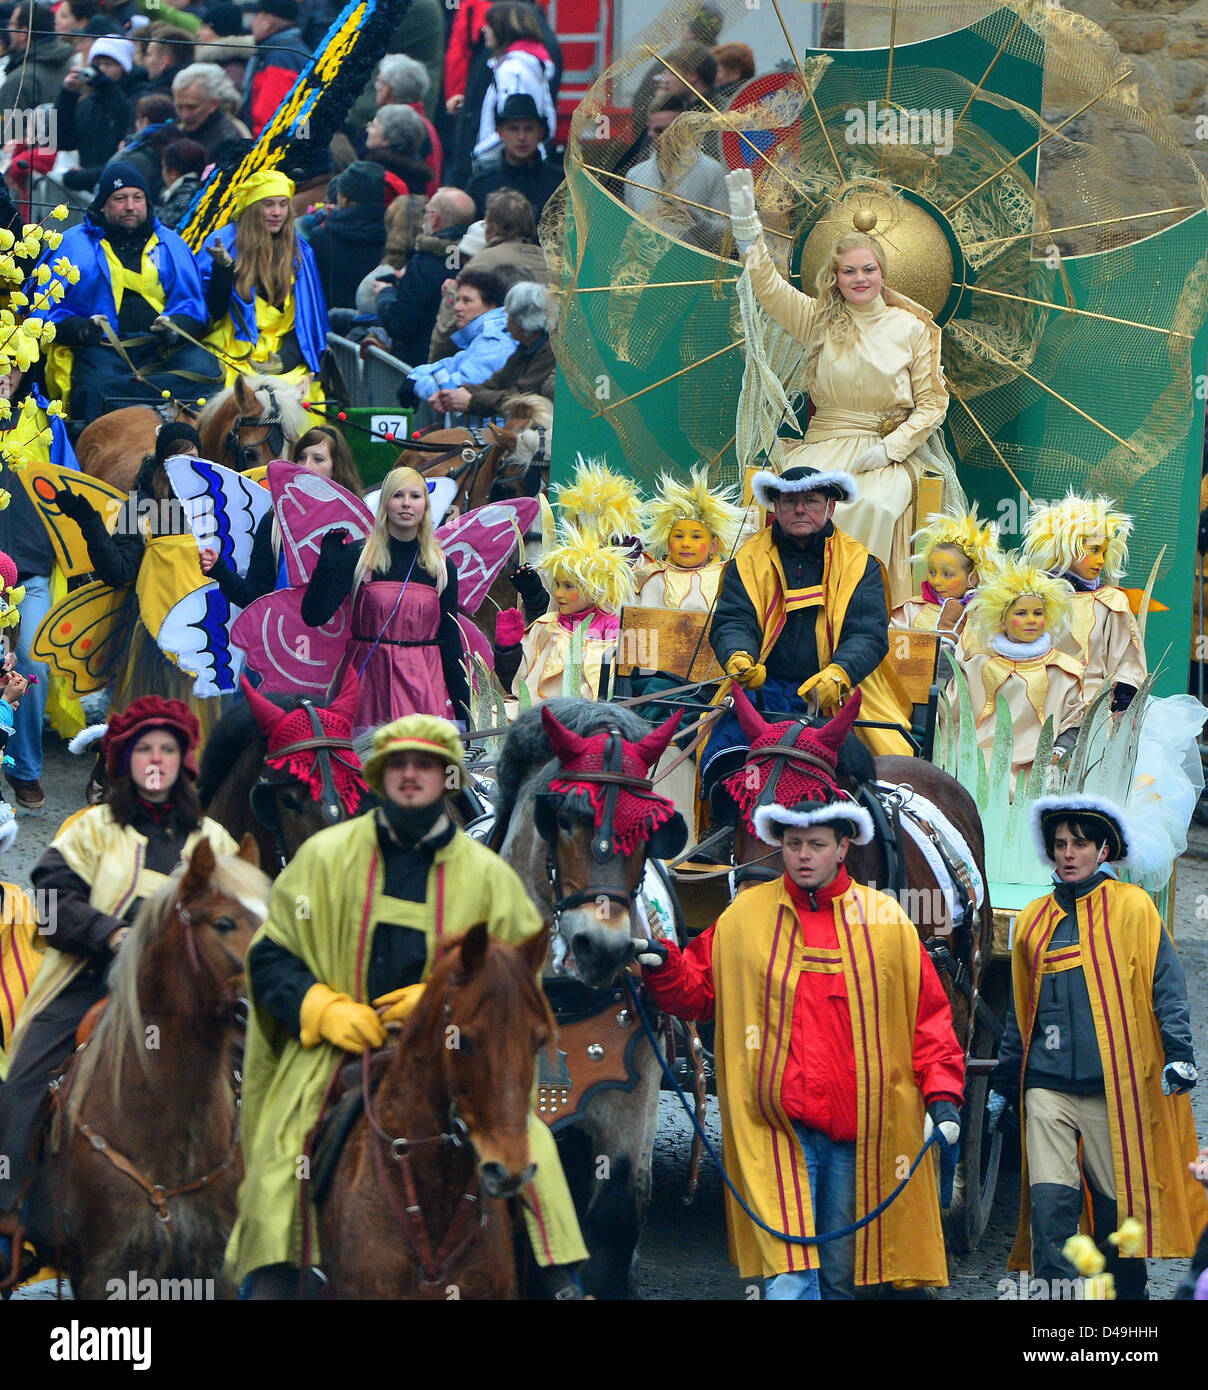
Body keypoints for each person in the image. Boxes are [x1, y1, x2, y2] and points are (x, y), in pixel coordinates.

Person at [227, 712, 588, 1298]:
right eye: (399, 764)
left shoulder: (490, 878)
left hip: (459, 1059)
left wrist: (443, 1000)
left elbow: (522, 979)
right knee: (281, 1163)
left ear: (448, 776)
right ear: (377, 775)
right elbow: (271, 960)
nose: (412, 775)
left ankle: (557, 1279)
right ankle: (273, 1279)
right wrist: (323, 1009)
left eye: (427, 764)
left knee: (534, 1153)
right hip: (336, 1053)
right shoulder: (324, 859)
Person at [637, 708, 963, 1299]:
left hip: (860, 1135)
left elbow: (929, 1022)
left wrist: (942, 1099)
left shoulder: (887, 922)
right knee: (791, 1277)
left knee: (841, 1275)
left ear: (844, 847)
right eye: (792, 844)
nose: (803, 855)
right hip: (775, 1133)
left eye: (816, 844)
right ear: (778, 846)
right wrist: (664, 967)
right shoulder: (741, 920)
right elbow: (699, 994)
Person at [0, 698, 239, 1271]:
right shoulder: (91, 829)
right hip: (93, 983)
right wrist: (111, 936)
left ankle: (270, 1230)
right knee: (23, 1081)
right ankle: (9, 1218)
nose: (155, 759)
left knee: (269, 1080)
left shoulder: (215, 841)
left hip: (196, 999)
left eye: (167, 749)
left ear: (184, 760)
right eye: (143, 750)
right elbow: (52, 901)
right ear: (123, 759)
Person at [989, 795, 1208, 1299]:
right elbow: (1020, 1015)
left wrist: (1180, 1053)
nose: (1068, 853)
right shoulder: (1033, 921)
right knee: (1051, 1211)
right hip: (1046, 1091)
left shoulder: (1134, 908)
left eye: (1080, 844)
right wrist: (1005, 1083)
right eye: (1060, 844)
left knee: (1116, 1220)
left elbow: (1166, 987)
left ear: (1103, 849)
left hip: (1115, 1093)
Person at [725, 169, 964, 609]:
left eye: (868, 269)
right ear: (835, 277)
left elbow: (932, 404)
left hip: (881, 452)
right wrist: (747, 227)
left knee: (865, 505)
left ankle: (855, 611)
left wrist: (890, 448)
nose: (860, 278)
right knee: (799, 502)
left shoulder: (912, 327)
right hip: (822, 444)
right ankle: (791, 606)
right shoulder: (817, 319)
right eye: (849, 271)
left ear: (882, 273)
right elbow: (769, 289)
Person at [701, 464, 913, 829]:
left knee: (885, 769)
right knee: (727, 754)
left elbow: (868, 634)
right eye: (790, 501)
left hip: (836, 693)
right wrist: (739, 656)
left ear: (830, 507)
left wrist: (839, 674)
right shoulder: (746, 560)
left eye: (811, 500)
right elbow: (733, 620)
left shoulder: (861, 564)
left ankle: (869, 840)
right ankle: (733, 831)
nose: (800, 509)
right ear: (776, 508)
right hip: (762, 690)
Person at [37, 161, 223, 423]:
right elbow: (45, 307)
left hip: (161, 351)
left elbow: (192, 304)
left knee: (206, 369)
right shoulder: (74, 244)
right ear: (102, 204)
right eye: (120, 199)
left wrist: (175, 326)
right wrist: (80, 328)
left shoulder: (171, 243)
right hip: (101, 350)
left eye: (138, 198)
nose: (130, 206)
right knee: (94, 386)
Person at [300, 465, 471, 734]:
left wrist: (465, 713)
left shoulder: (442, 567)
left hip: (423, 683)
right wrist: (327, 565)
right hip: (369, 684)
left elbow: (450, 641)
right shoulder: (357, 557)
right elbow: (314, 615)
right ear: (385, 503)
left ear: (425, 505)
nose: (406, 503)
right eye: (397, 495)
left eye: (415, 496)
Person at [0, 364, 81, 810]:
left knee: (31, 662)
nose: (3, 371)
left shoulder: (46, 419)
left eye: (10, 359)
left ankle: (24, 768)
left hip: (29, 575)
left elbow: (71, 489)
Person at [201, 423, 363, 608]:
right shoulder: (274, 523)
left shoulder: (358, 523)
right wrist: (220, 570)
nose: (306, 466)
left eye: (318, 459)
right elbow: (255, 599)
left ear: (336, 468)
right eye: (301, 458)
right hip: (283, 632)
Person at [195, 168, 328, 392]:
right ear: (253, 208)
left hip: (282, 357)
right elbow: (211, 311)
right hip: (232, 348)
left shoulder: (301, 253)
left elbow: (307, 322)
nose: (277, 212)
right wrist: (223, 269)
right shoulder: (225, 242)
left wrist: (285, 359)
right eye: (268, 204)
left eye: (283, 204)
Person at [957, 556, 1084, 790]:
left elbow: (1073, 722)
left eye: (1038, 613)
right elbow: (954, 717)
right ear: (1002, 621)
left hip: (1040, 768)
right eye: (1021, 613)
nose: (1031, 620)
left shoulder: (1064, 670)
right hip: (981, 763)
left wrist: (1060, 750)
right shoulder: (977, 664)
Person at [1021, 491, 1145, 711]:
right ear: (1067, 546)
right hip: (1034, 707)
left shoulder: (1111, 602)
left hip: (1092, 709)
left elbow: (1129, 661)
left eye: (1105, 553)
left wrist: (1121, 703)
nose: (1100, 561)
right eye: (1094, 550)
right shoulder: (1032, 596)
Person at [494, 521, 634, 706]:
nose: (558, 593)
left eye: (569, 586)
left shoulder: (614, 633)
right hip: (535, 712)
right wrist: (508, 650)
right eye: (557, 585)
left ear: (595, 589)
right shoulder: (546, 624)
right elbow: (514, 684)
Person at [427, 189, 547, 361]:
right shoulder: (549, 261)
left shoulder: (480, 263)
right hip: (540, 363)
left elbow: (447, 326)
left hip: (488, 363)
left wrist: (434, 366)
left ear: (492, 228)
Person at [373, 186, 477, 368]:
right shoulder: (476, 260)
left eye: (427, 213)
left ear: (435, 220)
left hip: (420, 365)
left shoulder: (423, 263)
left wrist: (385, 293)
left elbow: (399, 323)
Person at [433, 278, 555, 419]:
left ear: (522, 322)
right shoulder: (525, 347)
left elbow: (521, 395)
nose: (505, 320)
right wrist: (454, 393)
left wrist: (471, 401)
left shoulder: (549, 350)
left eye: (509, 315)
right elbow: (495, 383)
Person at [624, 93, 728, 251]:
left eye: (672, 129)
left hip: (697, 270)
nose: (666, 137)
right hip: (651, 271)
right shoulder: (634, 176)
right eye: (659, 130)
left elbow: (728, 235)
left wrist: (693, 218)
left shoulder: (713, 171)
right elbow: (628, 234)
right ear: (649, 131)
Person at [636, 464, 745, 612]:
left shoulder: (728, 579)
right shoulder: (653, 578)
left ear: (713, 545)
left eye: (696, 537)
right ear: (668, 542)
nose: (686, 544)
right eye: (679, 536)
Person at [405, 267, 517, 409]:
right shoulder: (480, 338)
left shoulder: (494, 342)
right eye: (457, 300)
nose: (457, 307)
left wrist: (417, 384)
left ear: (491, 305)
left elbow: (454, 390)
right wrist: (415, 375)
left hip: (487, 429)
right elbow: (449, 365)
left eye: (467, 301)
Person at [891, 504, 1000, 639]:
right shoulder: (910, 612)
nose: (936, 581)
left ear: (973, 578)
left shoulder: (988, 616)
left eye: (947, 574)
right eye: (932, 572)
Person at [472, 0, 556, 169]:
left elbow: (511, 122)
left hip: (504, 164)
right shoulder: (531, 66)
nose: (484, 29)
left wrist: (480, 153)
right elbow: (549, 122)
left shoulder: (513, 70)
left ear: (503, 29)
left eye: (489, 24)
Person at [55, 34, 136, 193]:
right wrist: (67, 96)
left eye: (109, 64)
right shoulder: (89, 104)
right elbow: (64, 141)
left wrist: (84, 177)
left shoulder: (136, 100)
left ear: (124, 68)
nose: (102, 69)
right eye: (97, 64)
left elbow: (123, 119)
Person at [465, 91, 562, 222]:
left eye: (528, 129)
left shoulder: (559, 184)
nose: (521, 137)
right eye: (513, 129)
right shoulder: (480, 185)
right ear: (500, 133)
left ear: (540, 132)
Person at [306, 161, 387, 312]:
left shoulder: (321, 238)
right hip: (377, 328)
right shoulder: (394, 238)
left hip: (329, 326)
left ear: (344, 199)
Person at [240, 0, 310, 136]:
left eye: (256, 17)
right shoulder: (289, 50)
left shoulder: (280, 57)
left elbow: (268, 115)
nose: (251, 24)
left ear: (268, 22)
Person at [0, 2, 72, 109]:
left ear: (23, 33)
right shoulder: (70, 65)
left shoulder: (19, 80)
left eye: (12, 24)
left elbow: (9, 125)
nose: (8, 29)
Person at [171, 60, 247, 158]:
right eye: (179, 107)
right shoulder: (180, 132)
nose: (184, 115)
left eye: (192, 107)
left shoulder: (228, 143)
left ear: (213, 104)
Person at [363, 102, 434, 197]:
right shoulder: (416, 172)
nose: (368, 129)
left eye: (373, 126)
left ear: (387, 139)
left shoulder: (377, 174)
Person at [156, 136, 207, 227]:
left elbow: (165, 225)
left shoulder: (184, 195)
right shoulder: (201, 190)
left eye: (163, 167)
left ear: (173, 173)